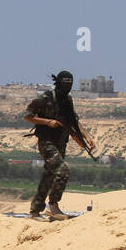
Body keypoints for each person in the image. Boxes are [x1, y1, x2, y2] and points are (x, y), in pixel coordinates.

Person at [23, 70, 81, 221]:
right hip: (47, 141)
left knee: (48, 176)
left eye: (70, 84)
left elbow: (74, 121)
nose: (68, 86)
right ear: (59, 83)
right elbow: (28, 115)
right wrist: (48, 122)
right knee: (63, 170)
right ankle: (53, 206)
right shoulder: (46, 98)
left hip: (61, 141)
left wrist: (85, 137)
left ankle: (35, 211)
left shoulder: (67, 100)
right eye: (65, 83)